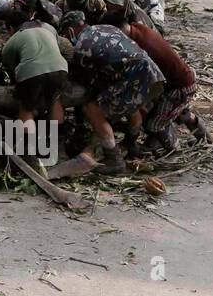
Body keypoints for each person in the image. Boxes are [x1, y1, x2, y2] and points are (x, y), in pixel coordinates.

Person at [60, 11, 165, 174]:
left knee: (92, 109)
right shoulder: (106, 27)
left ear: (71, 31)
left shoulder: (82, 46)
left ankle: (114, 158)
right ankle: (131, 144)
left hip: (134, 78)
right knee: (130, 103)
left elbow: (87, 84)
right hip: (154, 75)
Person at [124, 16, 207, 152]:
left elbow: (151, 83)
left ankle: (174, 148)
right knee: (170, 111)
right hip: (181, 80)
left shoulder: (139, 48)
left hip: (179, 87)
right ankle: (203, 136)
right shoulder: (138, 28)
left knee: (154, 124)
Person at [1, 8, 68, 171]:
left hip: (31, 72)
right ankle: (58, 149)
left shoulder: (12, 41)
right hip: (61, 68)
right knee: (55, 100)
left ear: (11, 29)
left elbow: (11, 68)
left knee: (26, 108)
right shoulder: (48, 28)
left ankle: (29, 153)